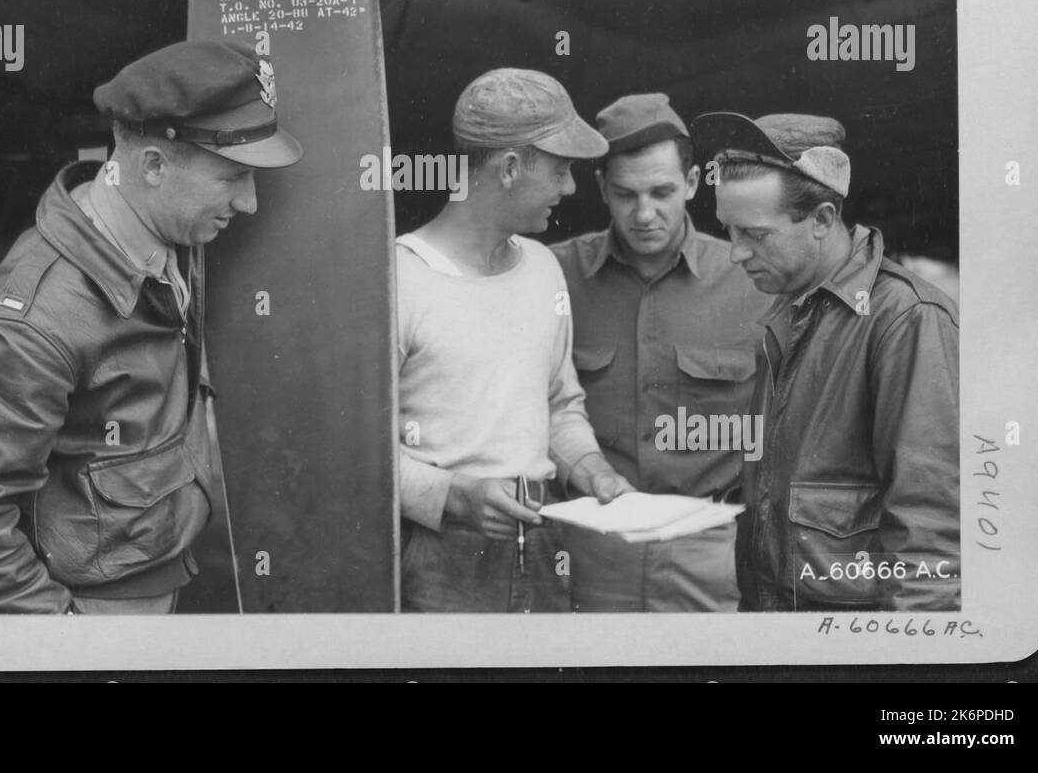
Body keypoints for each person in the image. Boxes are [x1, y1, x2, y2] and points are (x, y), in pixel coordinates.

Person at [0, 40, 302, 614]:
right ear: (153, 166)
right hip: (94, 615)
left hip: (155, 580)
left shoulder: (160, 228)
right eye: (233, 177)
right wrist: (68, 646)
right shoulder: (40, 322)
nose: (251, 202)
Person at [692, 111, 960, 611]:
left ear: (821, 219)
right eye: (728, 231)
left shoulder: (907, 320)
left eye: (756, 234)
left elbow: (933, 540)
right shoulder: (788, 305)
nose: (735, 254)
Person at [397, 68, 633, 613]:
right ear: (509, 168)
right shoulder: (398, 279)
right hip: (438, 558)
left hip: (541, 539)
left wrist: (591, 469)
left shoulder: (543, 269)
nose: (571, 188)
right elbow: (357, 455)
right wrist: (456, 495)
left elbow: (558, 406)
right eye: (561, 171)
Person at [550, 94, 768, 612]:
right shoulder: (551, 276)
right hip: (586, 553)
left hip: (712, 554)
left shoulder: (753, 280)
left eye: (662, 192)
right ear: (601, 187)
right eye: (625, 194)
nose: (644, 214)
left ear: (693, 184)